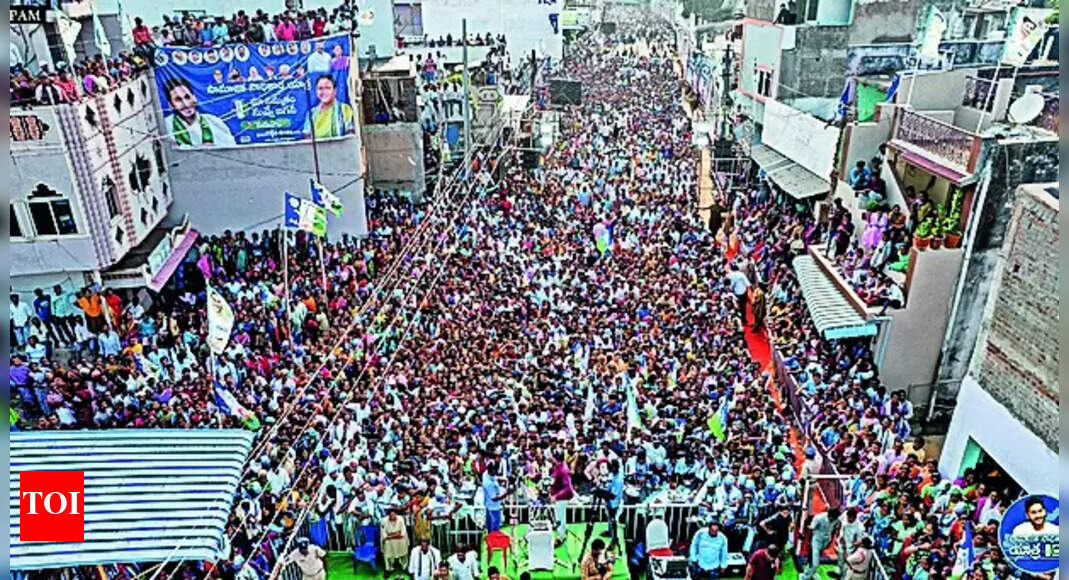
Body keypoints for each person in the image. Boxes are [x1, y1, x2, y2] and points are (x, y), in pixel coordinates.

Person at [162, 77, 236, 147]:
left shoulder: (214, 122)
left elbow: (232, 149)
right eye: (178, 99)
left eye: (187, 97)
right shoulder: (166, 126)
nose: (186, 104)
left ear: (194, 98)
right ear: (171, 105)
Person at [304, 74, 354, 139]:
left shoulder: (344, 109)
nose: (324, 92)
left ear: (335, 91)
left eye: (327, 88)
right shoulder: (312, 113)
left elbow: (350, 136)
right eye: (320, 88)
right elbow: (307, 138)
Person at [802, 508, 839, 580]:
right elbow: (811, 529)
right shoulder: (819, 518)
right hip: (816, 540)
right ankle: (805, 577)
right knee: (815, 563)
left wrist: (830, 542)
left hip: (826, 540)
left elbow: (834, 529)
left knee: (816, 558)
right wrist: (808, 542)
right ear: (828, 515)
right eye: (831, 518)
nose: (832, 520)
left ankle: (812, 572)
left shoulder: (837, 520)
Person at [550, 450, 575, 542]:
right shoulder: (557, 467)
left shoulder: (564, 470)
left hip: (563, 496)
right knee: (560, 515)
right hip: (558, 494)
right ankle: (563, 531)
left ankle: (561, 537)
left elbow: (567, 488)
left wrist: (556, 496)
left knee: (559, 516)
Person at [382, 507, 410, 573]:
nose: (393, 517)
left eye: (394, 515)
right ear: (388, 516)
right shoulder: (383, 521)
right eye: (391, 515)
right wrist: (395, 534)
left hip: (400, 539)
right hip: (389, 540)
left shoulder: (401, 519)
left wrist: (391, 534)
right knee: (387, 548)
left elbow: (402, 533)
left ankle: (405, 567)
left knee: (404, 549)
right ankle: (389, 568)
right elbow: (384, 535)